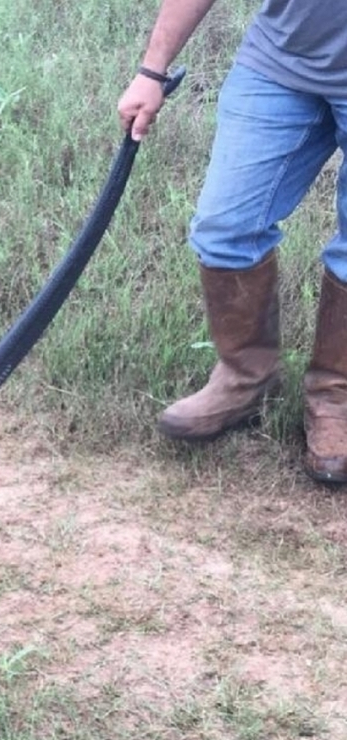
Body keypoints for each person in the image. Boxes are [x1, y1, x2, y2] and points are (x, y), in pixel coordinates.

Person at [117, 0, 347, 483]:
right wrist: (151, 71)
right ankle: (246, 377)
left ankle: (335, 396)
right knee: (225, 227)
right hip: (280, 65)